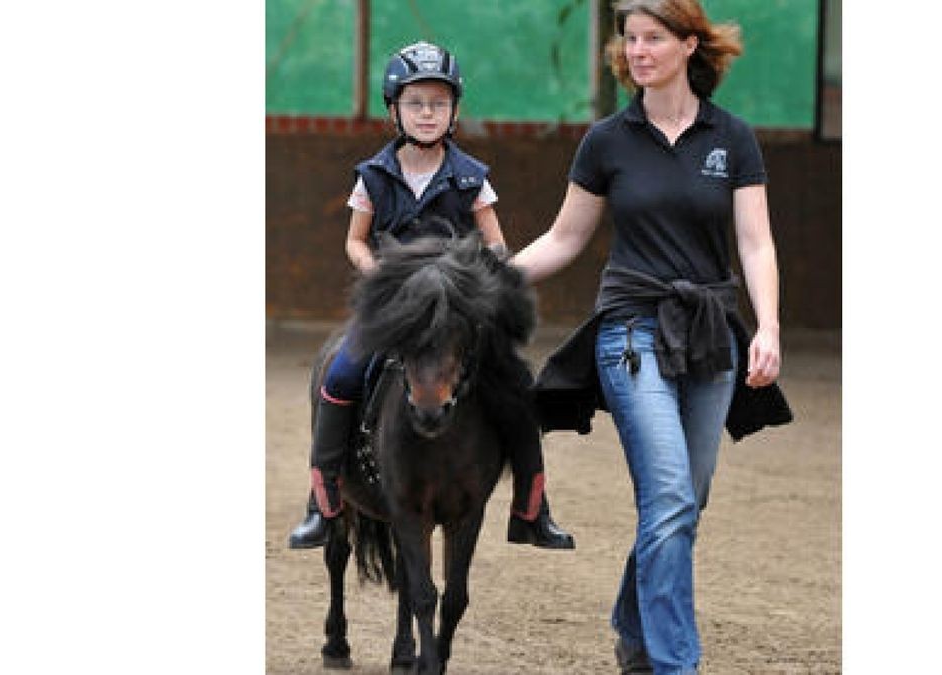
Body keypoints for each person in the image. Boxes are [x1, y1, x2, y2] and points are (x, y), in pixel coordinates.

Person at [509, 2, 792, 672]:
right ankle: (675, 663)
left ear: (690, 44)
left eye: (653, 38)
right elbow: (564, 237)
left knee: (684, 505)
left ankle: (633, 632)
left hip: (711, 335)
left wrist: (770, 325)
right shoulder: (607, 140)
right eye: (630, 39)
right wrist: (484, 274)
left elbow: (755, 244)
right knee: (667, 497)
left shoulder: (734, 138)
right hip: (630, 330)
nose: (637, 51)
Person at [287, 41, 574, 551]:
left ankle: (532, 509)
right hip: (395, 309)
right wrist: (379, 273)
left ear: (454, 110)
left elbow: (497, 244)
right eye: (416, 102)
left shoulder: (473, 178)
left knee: (515, 386)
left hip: (455, 313)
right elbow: (355, 240)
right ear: (393, 108)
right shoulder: (373, 176)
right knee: (340, 374)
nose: (427, 113)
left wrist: (489, 276)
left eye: (438, 104)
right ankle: (324, 504)